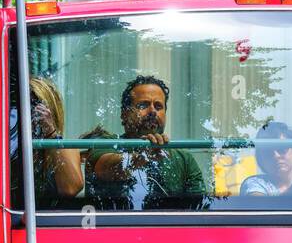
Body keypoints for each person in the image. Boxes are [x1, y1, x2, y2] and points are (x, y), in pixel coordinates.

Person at [87, 75, 208, 209]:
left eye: (158, 106)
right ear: (124, 114)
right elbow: (102, 169)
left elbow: (200, 208)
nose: (152, 111)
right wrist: (142, 156)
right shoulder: (106, 143)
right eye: (143, 105)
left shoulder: (184, 159)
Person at [29, 76, 84, 207]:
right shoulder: (13, 147)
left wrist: (50, 131)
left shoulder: (65, 149)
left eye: (34, 107)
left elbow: (71, 188)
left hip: (49, 221)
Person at [239, 121, 292, 197]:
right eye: (267, 152)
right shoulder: (255, 183)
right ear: (261, 159)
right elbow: (258, 205)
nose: (276, 156)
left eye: (282, 149)